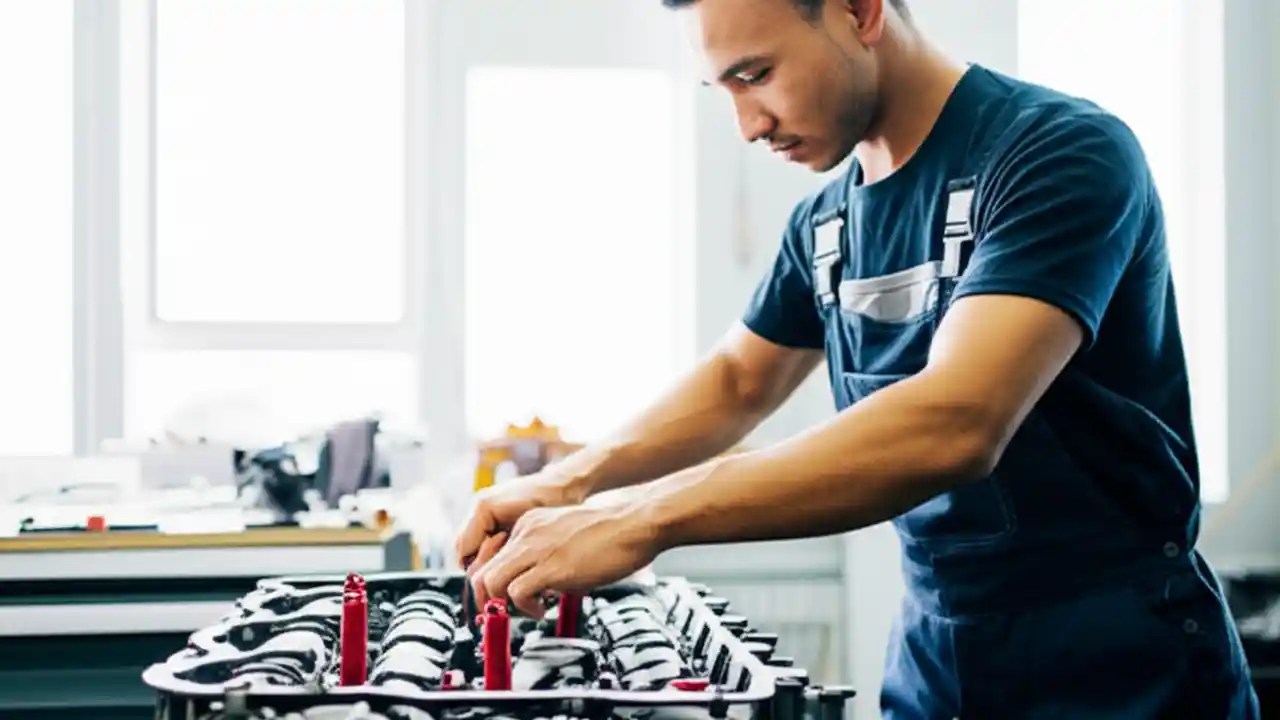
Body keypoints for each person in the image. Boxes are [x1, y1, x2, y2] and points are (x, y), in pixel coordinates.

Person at [454, 0, 1261, 716]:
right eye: (724, 90)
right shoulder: (825, 224)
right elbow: (739, 381)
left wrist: (640, 517)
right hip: (934, 665)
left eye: (757, 74)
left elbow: (957, 422)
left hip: (1117, 668)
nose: (748, 124)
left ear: (861, 11)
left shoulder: (1060, 155)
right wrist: (570, 481)